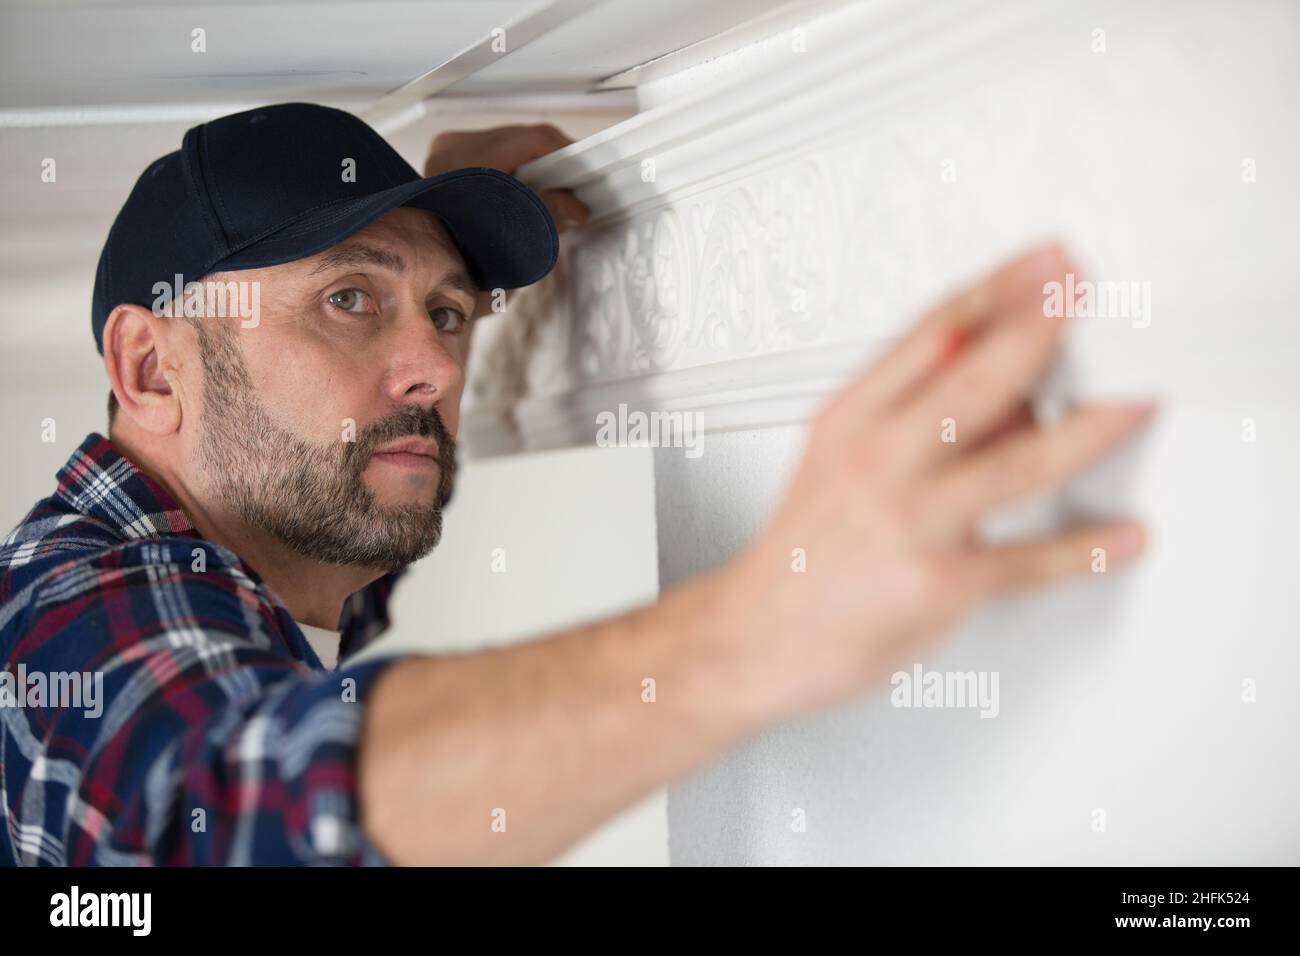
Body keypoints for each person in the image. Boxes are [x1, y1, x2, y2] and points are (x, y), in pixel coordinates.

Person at [0, 103, 1154, 866]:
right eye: (349, 298)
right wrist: (761, 629)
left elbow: (335, 566)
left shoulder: (261, 562)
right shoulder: (64, 628)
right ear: (151, 368)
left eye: (449, 311)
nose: (440, 365)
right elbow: (235, 799)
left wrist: (411, 211)